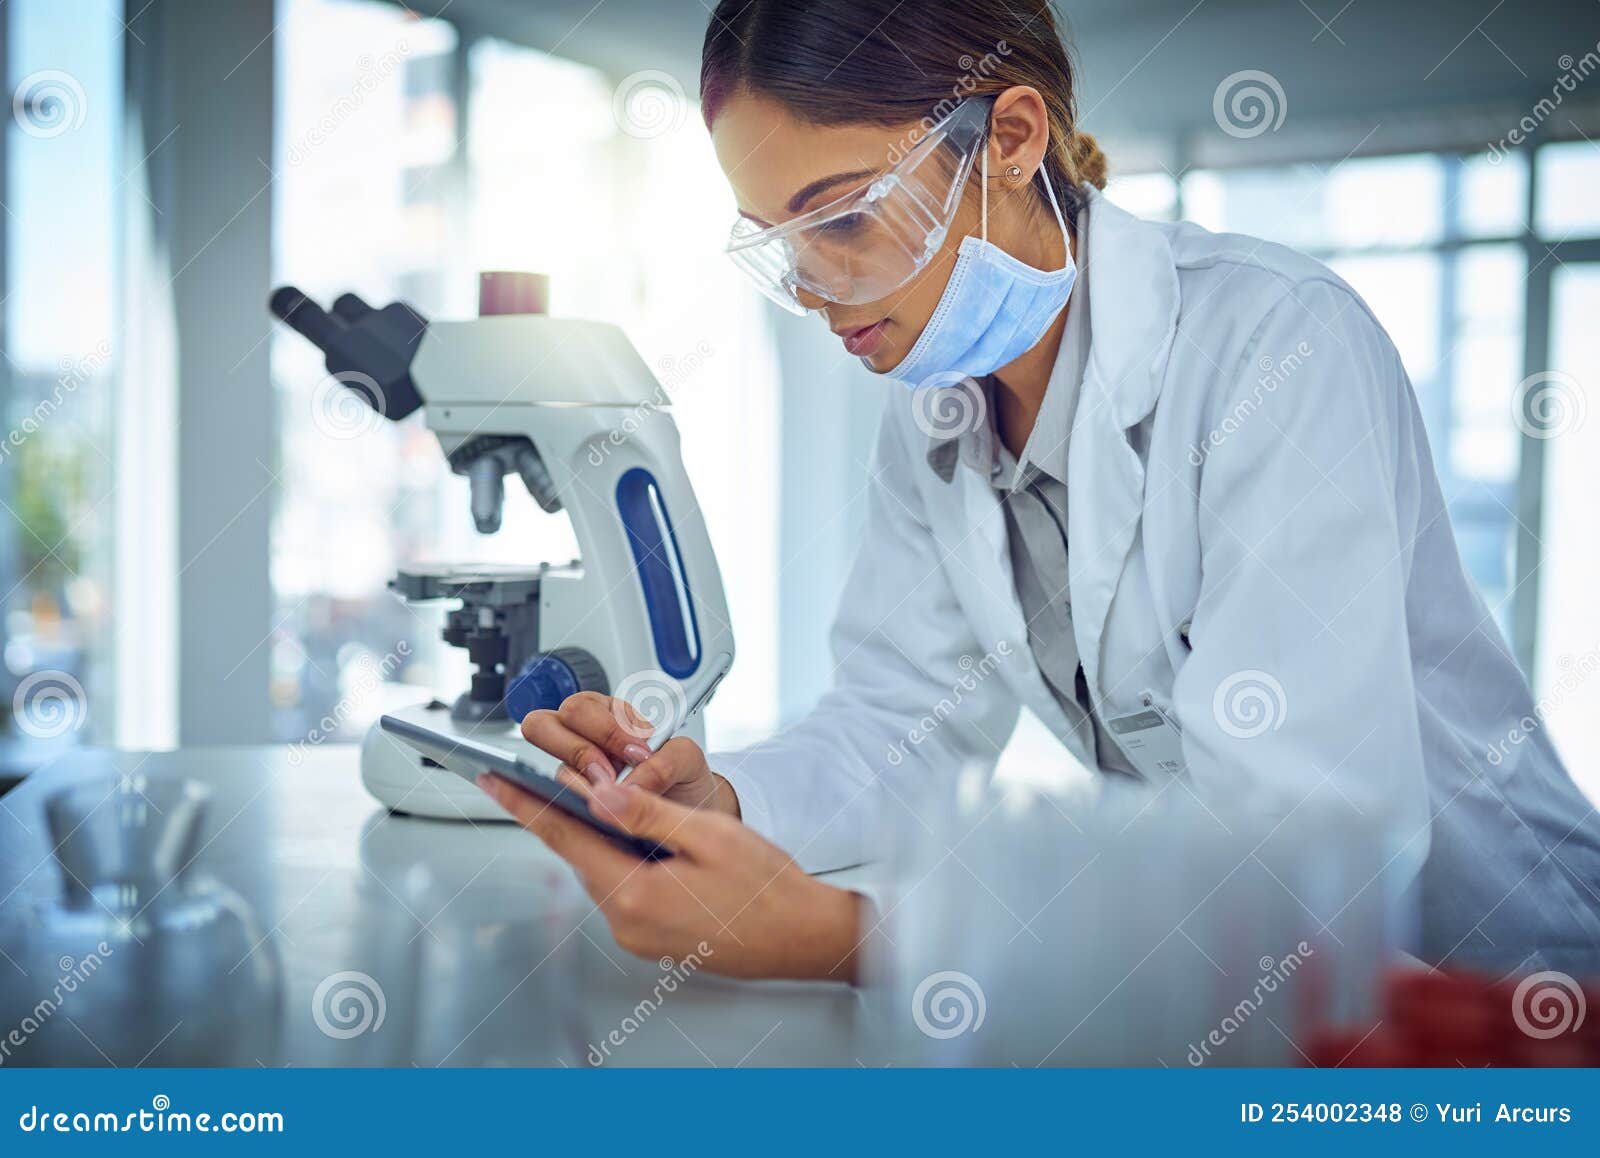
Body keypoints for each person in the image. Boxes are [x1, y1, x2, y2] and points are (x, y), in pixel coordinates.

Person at [480, 0, 1600, 981]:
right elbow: (895, 730)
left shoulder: (1276, 347)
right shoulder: (934, 403)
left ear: (1010, 138)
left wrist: (852, 939)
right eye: (783, 249)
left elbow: (1301, 858)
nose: (819, 292)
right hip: (1214, 990)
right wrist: (723, 801)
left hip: (1498, 982)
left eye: (845, 220)